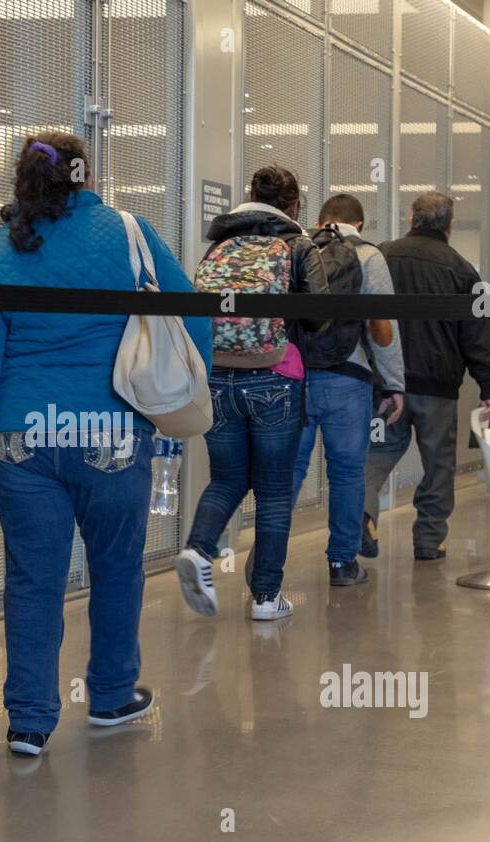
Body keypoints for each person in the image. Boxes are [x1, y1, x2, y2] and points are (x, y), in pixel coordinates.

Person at [0, 133, 210, 758]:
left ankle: (28, 720)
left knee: (32, 578)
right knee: (116, 567)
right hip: (112, 434)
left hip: (23, 438)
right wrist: (186, 389)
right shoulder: (128, 234)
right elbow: (193, 311)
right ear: (85, 174)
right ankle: (109, 696)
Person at [174, 165, 328, 622]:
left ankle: (200, 550)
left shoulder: (220, 245)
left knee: (227, 478)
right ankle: (265, 598)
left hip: (217, 378)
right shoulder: (299, 245)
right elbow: (321, 316)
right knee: (275, 492)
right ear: (295, 205)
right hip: (275, 378)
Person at [360, 192, 490, 562]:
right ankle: (429, 540)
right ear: (449, 225)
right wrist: (489, 386)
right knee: (438, 463)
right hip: (437, 386)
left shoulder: (382, 255)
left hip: (387, 382)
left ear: (410, 217)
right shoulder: (462, 269)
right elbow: (476, 334)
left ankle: (363, 515)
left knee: (377, 453)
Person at [288, 194, 404, 586]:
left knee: (289, 471)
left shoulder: (297, 249)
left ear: (321, 220)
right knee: (347, 473)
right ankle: (341, 564)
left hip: (297, 377)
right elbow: (381, 328)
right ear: (361, 224)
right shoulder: (370, 256)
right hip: (348, 378)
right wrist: (393, 383)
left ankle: (266, 559)